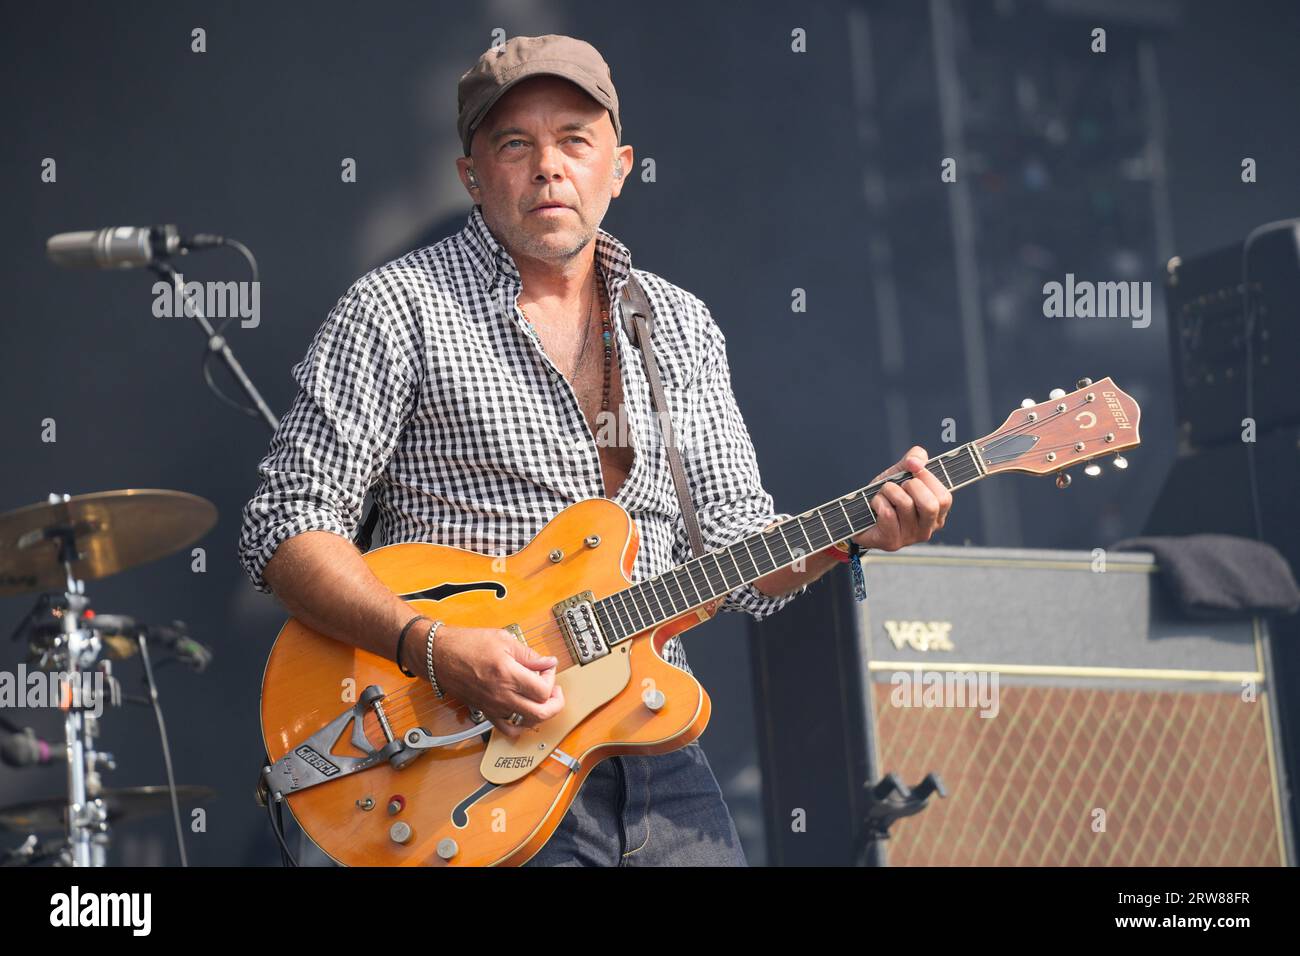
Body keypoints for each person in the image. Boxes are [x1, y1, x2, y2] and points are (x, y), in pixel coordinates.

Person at [236, 33, 951, 866]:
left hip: (649, 748)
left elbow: (734, 550)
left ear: (618, 167)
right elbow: (286, 525)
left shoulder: (679, 324)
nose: (549, 167)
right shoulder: (397, 309)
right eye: (515, 144)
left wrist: (857, 530)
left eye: (575, 140)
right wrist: (430, 646)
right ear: (471, 175)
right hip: (459, 762)